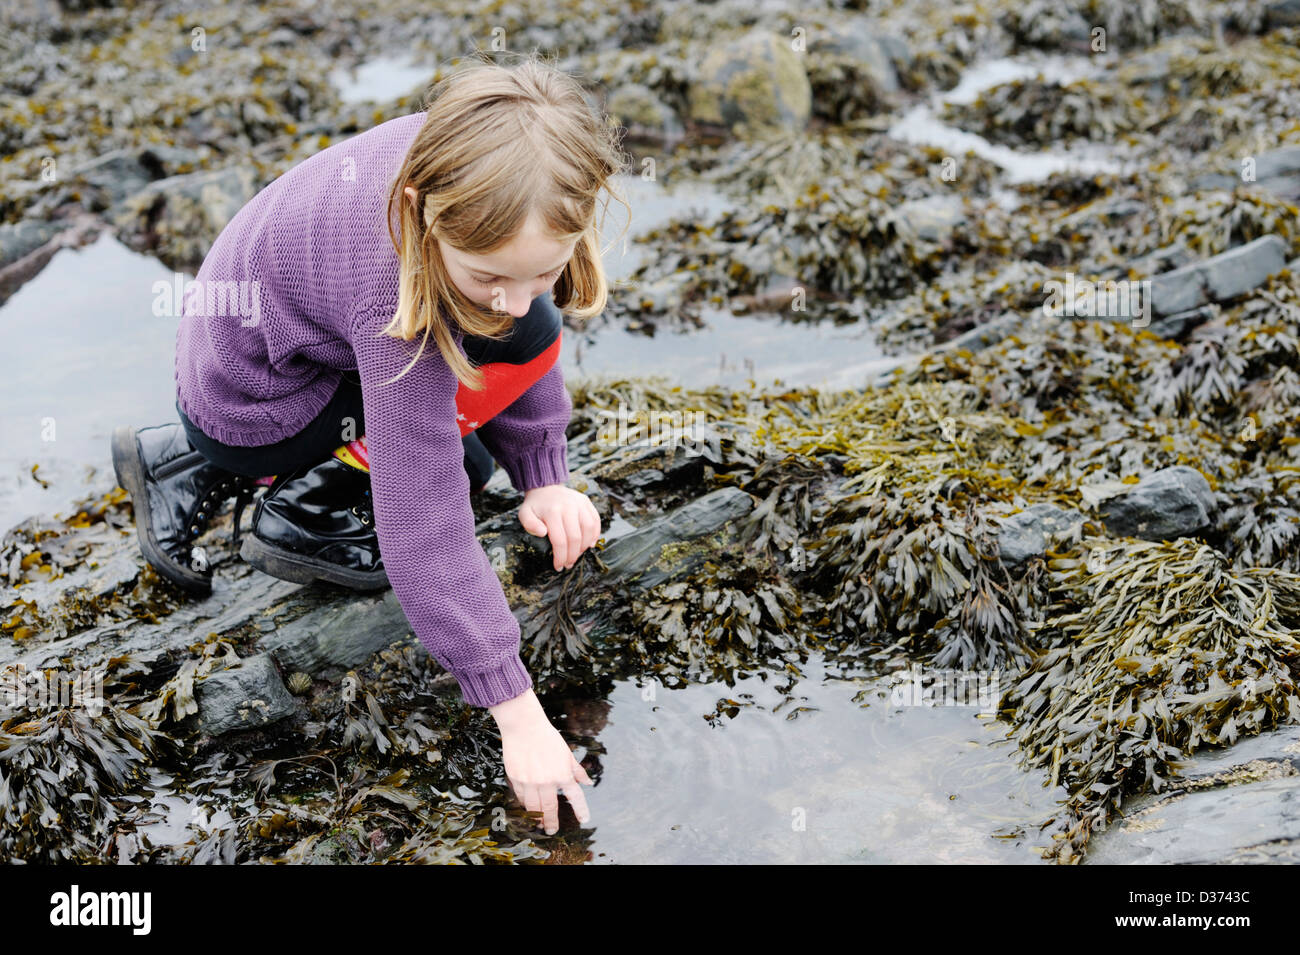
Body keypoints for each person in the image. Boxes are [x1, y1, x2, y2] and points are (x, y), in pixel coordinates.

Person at [111, 51, 631, 837]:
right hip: (250, 393)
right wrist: (517, 714)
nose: (516, 299)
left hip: (290, 348)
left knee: (477, 445)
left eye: (544, 271)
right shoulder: (397, 286)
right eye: (492, 275)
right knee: (439, 469)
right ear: (422, 210)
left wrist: (545, 475)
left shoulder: (494, 171)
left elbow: (525, 334)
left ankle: (180, 461)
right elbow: (425, 523)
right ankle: (289, 506)